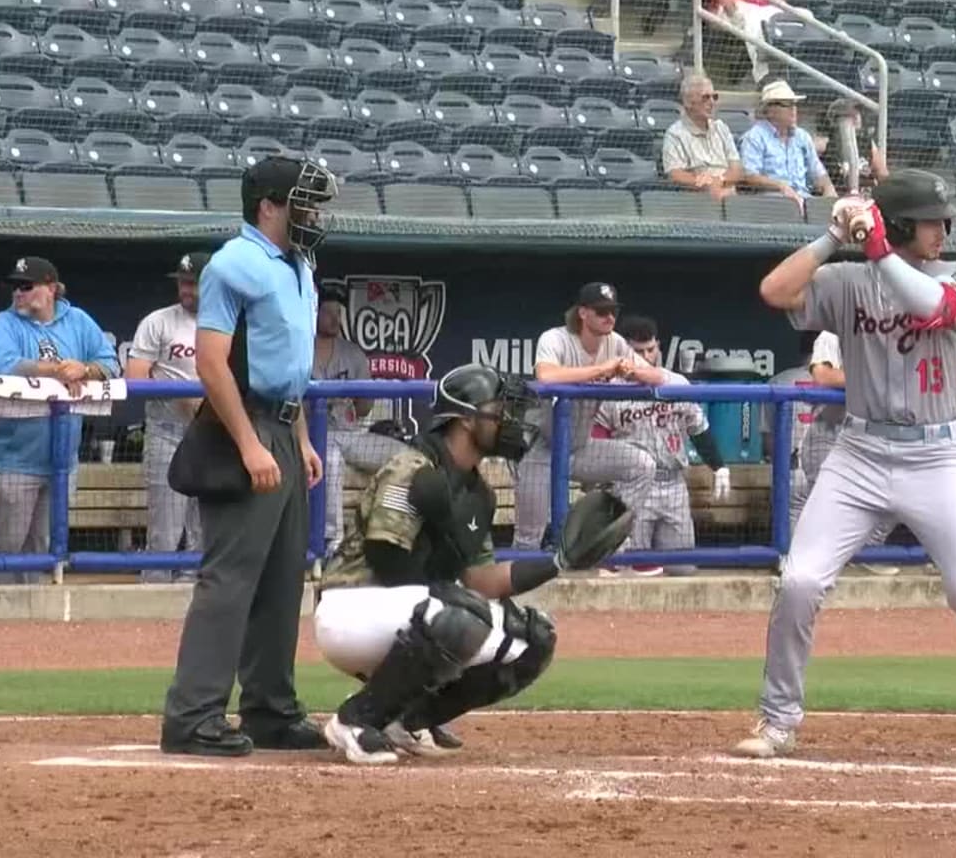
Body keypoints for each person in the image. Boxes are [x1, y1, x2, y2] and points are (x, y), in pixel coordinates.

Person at [731, 169, 956, 764]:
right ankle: (778, 720)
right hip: (858, 453)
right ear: (901, 224)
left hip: (935, 456)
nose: (943, 231)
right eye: (931, 221)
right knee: (800, 582)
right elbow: (774, 291)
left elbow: (930, 305)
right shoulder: (847, 280)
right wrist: (834, 236)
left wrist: (878, 248)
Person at [315, 364, 634, 764]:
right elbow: (386, 557)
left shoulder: (479, 493)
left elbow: (482, 580)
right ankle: (356, 719)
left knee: (532, 639)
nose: (511, 422)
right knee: (462, 616)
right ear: (466, 419)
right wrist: (450, 593)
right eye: (500, 411)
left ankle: (406, 720)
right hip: (351, 607)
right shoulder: (412, 468)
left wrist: (557, 562)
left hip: (413, 613)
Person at [160, 156, 336, 757]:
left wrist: (301, 438)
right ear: (268, 206)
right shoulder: (233, 262)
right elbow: (212, 364)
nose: (314, 216)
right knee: (229, 580)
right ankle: (192, 717)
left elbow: (292, 365)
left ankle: (270, 710)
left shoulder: (301, 265)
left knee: (283, 579)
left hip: (283, 424)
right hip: (244, 425)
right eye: (304, 204)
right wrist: (249, 443)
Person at [0, 256, 119, 585]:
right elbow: (3, 365)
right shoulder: (4, 322)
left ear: (51, 289)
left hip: (61, 462)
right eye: (14, 287)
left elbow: (110, 364)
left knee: (42, 549)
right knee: (7, 546)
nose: (18, 293)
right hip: (12, 460)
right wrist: (58, 370)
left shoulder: (78, 321)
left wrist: (85, 369)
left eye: (26, 286)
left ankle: (32, 617)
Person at [511, 282, 662, 553]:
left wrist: (632, 371)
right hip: (540, 448)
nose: (610, 317)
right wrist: (601, 369)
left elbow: (656, 376)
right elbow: (546, 375)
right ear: (583, 313)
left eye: (613, 311)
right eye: (602, 311)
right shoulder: (555, 338)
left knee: (642, 465)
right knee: (528, 540)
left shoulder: (615, 342)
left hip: (579, 448)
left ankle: (602, 532)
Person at [593, 314, 731, 577]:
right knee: (632, 570)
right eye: (638, 351)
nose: (646, 356)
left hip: (673, 483)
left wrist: (719, 466)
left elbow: (698, 429)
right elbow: (598, 439)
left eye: (650, 349)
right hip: (632, 485)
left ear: (658, 346)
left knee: (683, 569)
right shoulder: (610, 390)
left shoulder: (676, 383)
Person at [127, 252, 210, 583]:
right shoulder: (158, 321)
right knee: (166, 527)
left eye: (193, 283)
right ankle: (154, 591)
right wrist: (178, 396)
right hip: (168, 431)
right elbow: (134, 380)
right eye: (182, 282)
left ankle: (196, 593)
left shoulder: (229, 323)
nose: (185, 289)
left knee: (205, 527)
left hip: (214, 434)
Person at [791, 330, 898, 576]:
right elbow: (823, 376)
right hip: (829, 430)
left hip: (870, 432)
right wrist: (873, 381)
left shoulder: (886, 335)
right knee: (825, 505)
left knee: (893, 495)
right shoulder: (831, 335)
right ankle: (806, 563)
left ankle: (866, 552)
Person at [313, 280, 406, 554]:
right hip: (318, 437)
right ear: (313, 313)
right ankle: (332, 541)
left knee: (406, 457)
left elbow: (365, 409)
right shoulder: (300, 350)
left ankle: (394, 533)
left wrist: (355, 396)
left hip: (352, 436)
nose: (335, 319)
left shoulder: (352, 353)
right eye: (328, 312)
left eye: (338, 313)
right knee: (330, 461)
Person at [738, 81, 836, 205]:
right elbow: (749, 176)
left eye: (794, 104)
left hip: (805, 200)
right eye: (787, 104)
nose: (793, 109)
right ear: (770, 110)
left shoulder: (802, 137)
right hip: (773, 202)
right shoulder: (755, 137)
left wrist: (828, 189)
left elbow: (819, 173)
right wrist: (780, 186)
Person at [661, 73, 744, 201]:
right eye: (705, 97)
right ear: (688, 102)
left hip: (729, 196)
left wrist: (720, 180)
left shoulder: (721, 128)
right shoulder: (675, 134)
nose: (712, 102)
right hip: (697, 198)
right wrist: (704, 183)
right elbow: (675, 174)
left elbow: (737, 170)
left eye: (714, 97)